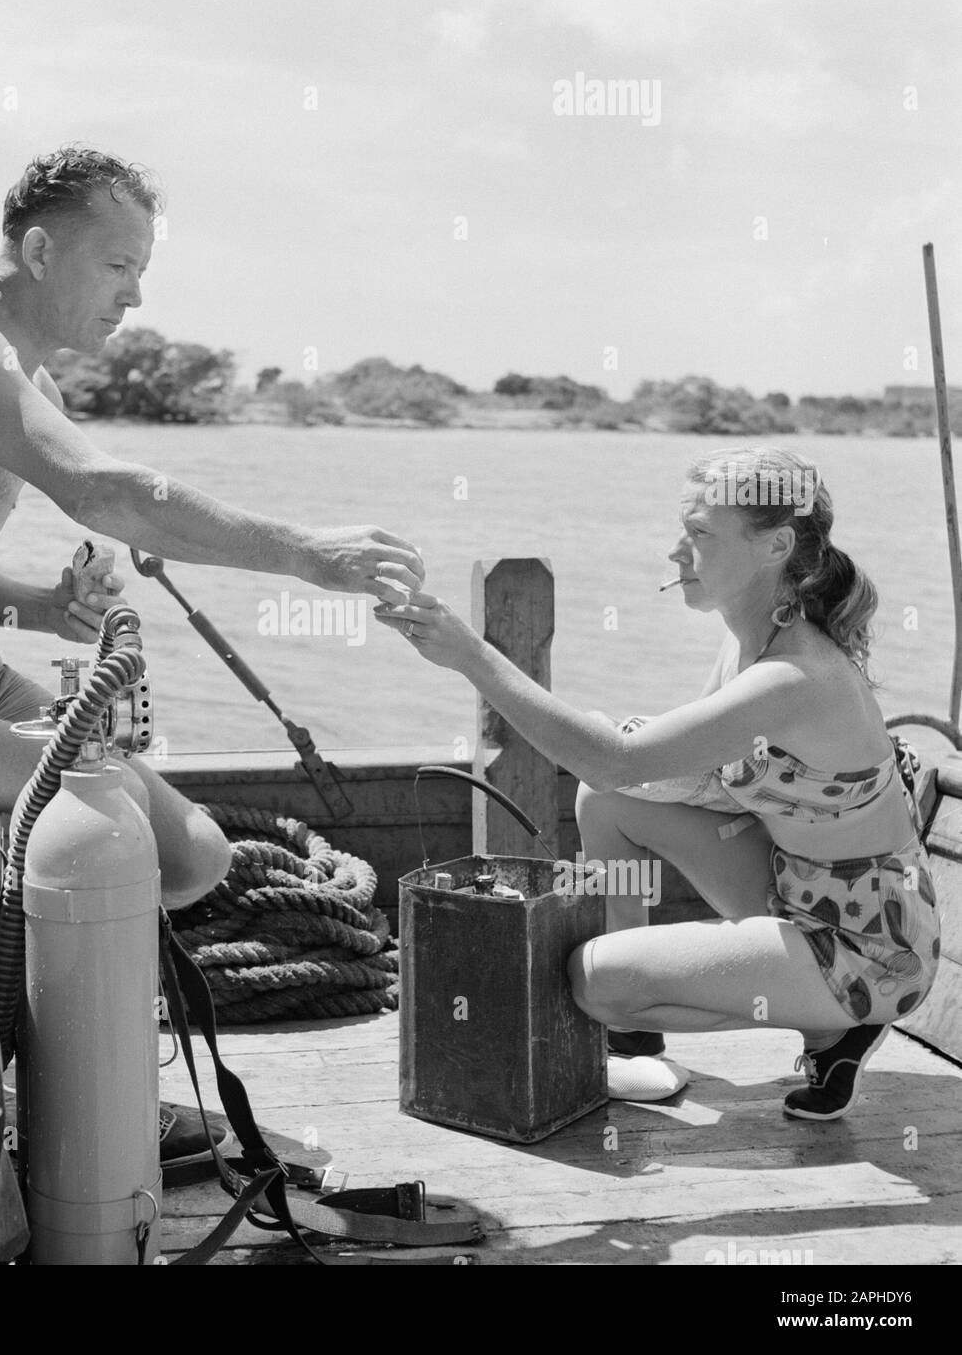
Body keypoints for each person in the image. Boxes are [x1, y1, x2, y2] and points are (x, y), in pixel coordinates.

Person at [0, 143, 423, 1165]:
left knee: (192, 852)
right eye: (119, 266)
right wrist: (306, 553)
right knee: (92, 822)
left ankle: (65, 1061)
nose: (137, 295)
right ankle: (79, 1108)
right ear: (38, 246)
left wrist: (41, 603)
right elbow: (106, 491)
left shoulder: (27, 381)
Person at [377, 447, 938, 1121]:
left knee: (589, 977)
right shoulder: (749, 637)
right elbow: (653, 775)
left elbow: (614, 758)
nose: (676, 551)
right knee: (607, 801)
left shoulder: (792, 678)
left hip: (866, 946)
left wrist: (472, 656)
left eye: (700, 534)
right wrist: (625, 748)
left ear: (776, 545)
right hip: (793, 885)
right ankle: (632, 1037)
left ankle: (832, 1023)